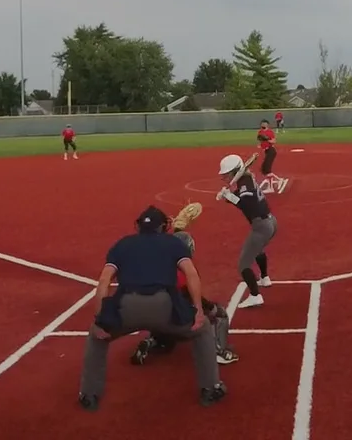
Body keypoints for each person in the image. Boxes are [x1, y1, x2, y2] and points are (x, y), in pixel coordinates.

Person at [78, 206, 226, 411]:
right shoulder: (174, 243)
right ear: (164, 226)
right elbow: (191, 275)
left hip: (126, 307)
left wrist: (100, 319)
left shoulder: (122, 245)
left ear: (138, 226)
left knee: (96, 337)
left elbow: (104, 281)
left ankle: (89, 395)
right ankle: (211, 389)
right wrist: (198, 312)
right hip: (164, 306)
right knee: (202, 330)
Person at [131, 230, 238, 366]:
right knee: (219, 315)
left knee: (166, 337)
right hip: (174, 320)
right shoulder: (185, 272)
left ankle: (151, 341)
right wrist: (210, 308)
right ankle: (219, 351)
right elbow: (189, 296)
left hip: (148, 316)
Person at [216, 154, 276, 310]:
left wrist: (228, 196)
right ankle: (264, 278)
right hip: (270, 222)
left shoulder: (245, 183)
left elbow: (247, 204)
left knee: (243, 264)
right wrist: (228, 197)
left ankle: (255, 296)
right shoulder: (246, 181)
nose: (224, 178)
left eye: (226, 175)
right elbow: (242, 197)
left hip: (261, 226)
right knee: (258, 250)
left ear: (234, 172)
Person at [255, 119, 287, 194]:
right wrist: (260, 144)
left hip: (271, 151)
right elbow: (260, 140)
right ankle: (279, 180)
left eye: (265, 124)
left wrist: (267, 139)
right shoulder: (260, 132)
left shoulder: (270, 132)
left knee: (266, 169)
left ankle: (271, 187)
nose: (263, 125)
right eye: (262, 124)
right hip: (266, 151)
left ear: (267, 125)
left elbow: (274, 141)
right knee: (264, 169)